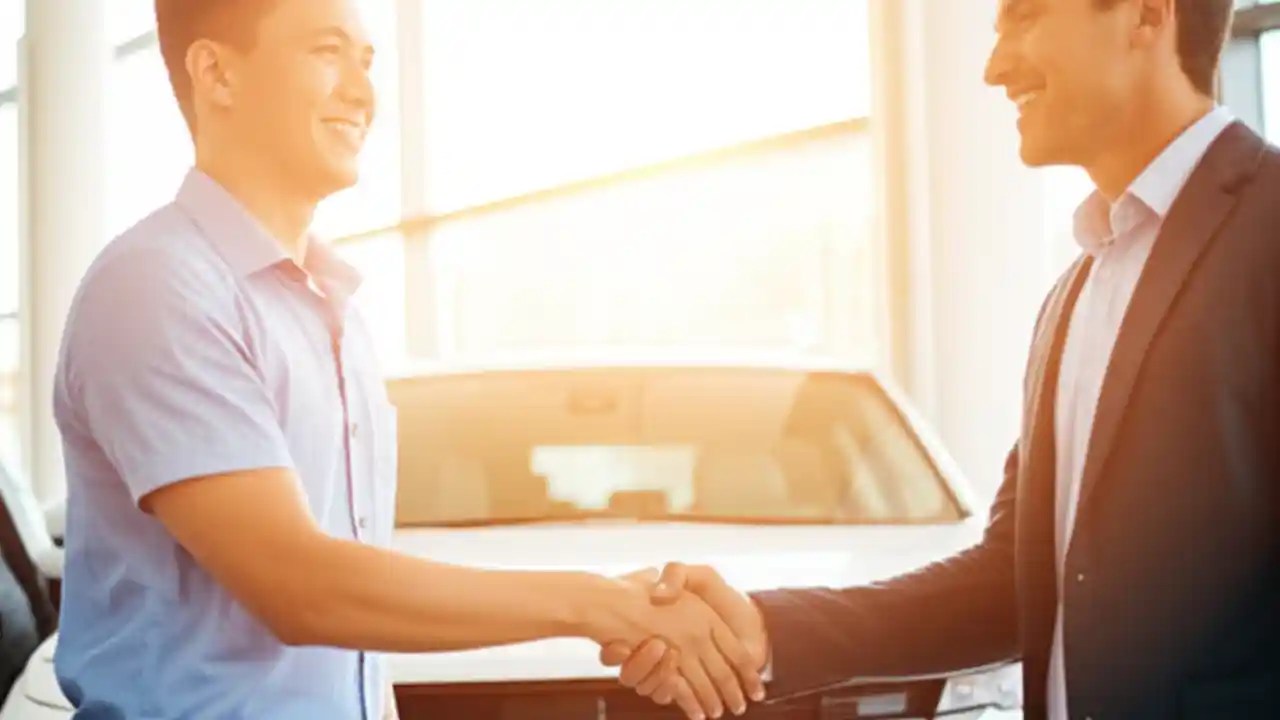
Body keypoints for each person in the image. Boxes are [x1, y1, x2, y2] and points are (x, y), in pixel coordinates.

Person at [50, 1, 763, 718]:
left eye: (366, 61)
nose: (363, 93)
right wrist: (603, 605)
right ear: (216, 73)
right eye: (327, 52)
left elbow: (349, 653)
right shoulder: (157, 287)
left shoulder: (334, 311)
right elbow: (303, 589)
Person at [606, 0, 1280, 718]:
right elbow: (1010, 588)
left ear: (1145, 14)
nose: (995, 67)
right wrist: (764, 629)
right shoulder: (1077, 292)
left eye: (1024, 16)